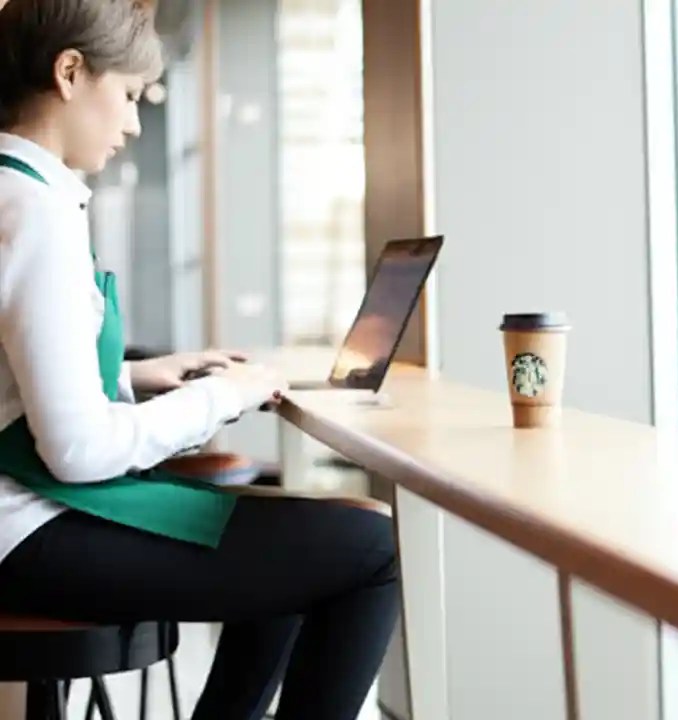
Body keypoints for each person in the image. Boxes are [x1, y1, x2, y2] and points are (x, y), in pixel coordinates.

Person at [0, 2, 400, 719]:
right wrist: (224, 396)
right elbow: (76, 450)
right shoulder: (33, 214)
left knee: (289, 555)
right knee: (374, 550)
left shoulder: (18, 196)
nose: (132, 122)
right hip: (28, 529)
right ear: (69, 73)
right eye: (126, 95)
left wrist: (134, 377)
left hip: (21, 516)